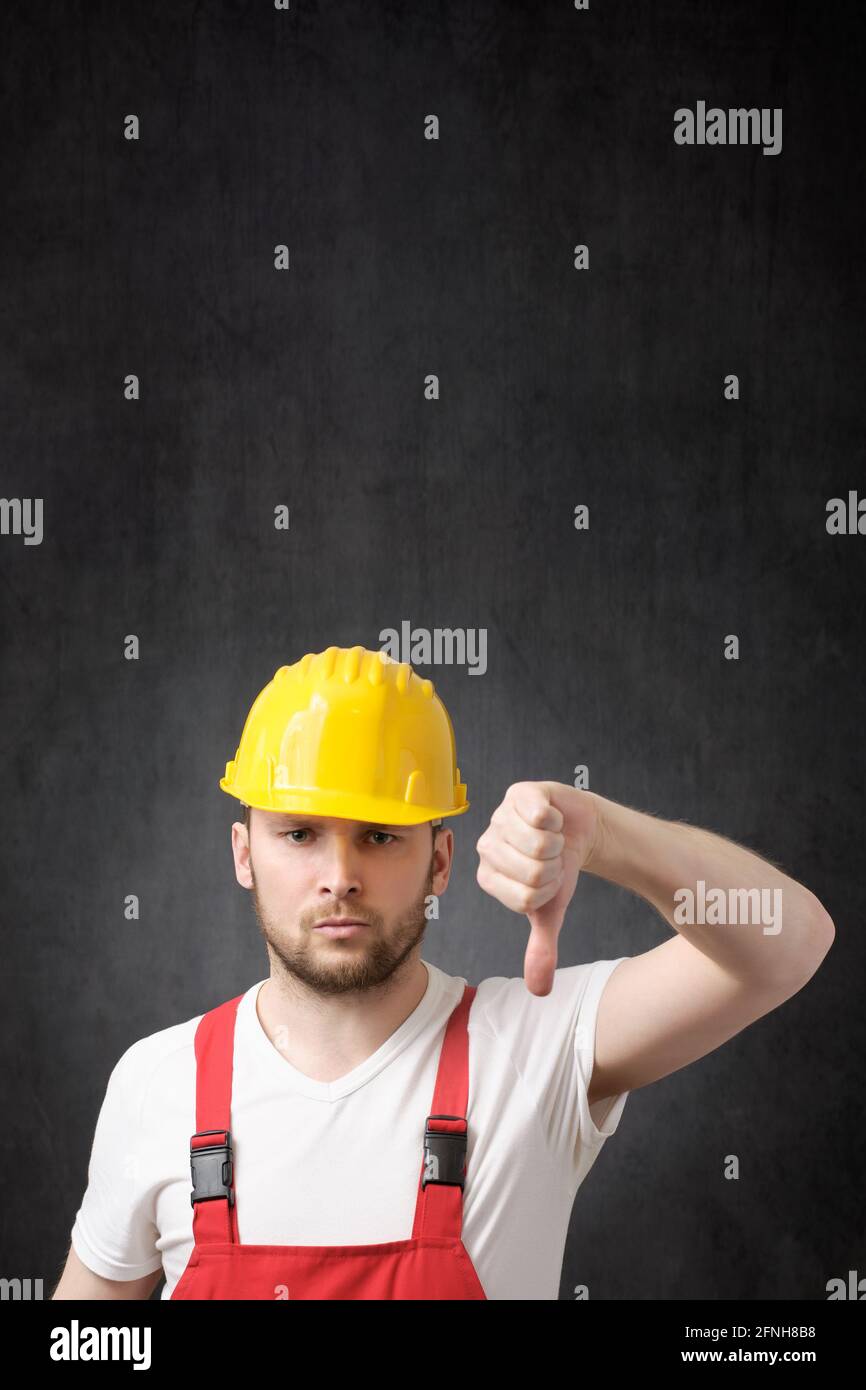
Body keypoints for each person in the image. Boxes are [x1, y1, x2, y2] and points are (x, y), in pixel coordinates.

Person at [51, 644, 834, 1300]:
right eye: (299, 834)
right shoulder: (156, 1083)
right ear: (242, 853)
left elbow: (791, 941)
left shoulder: (537, 1048)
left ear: (441, 860)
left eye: (381, 836)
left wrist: (605, 836)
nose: (339, 876)